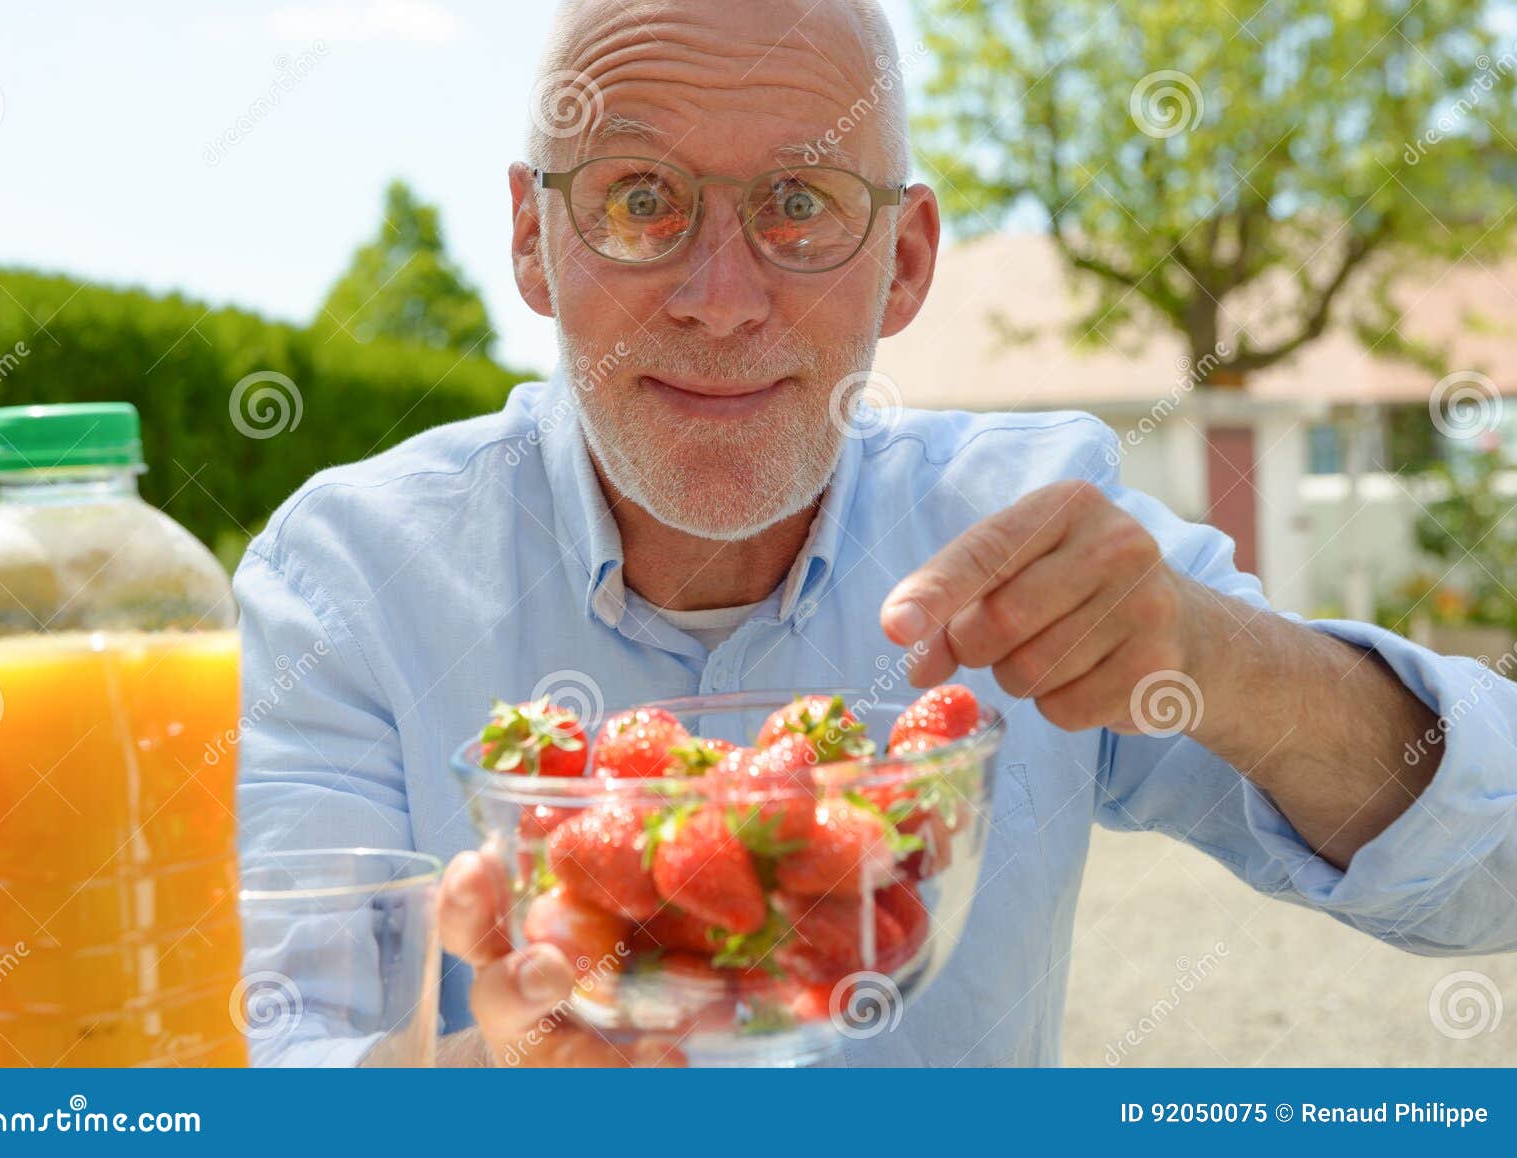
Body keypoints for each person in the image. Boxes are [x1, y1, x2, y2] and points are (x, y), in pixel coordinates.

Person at [234, 0, 1517, 1066]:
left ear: (904, 261)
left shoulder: (1030, 517)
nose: (720, 299)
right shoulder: (349, 576)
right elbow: (264, 1057)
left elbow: (1492, 873)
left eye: (797, 201)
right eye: (638, 197)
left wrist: (1225, 662)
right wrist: (475, 1091)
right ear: (533, 239)